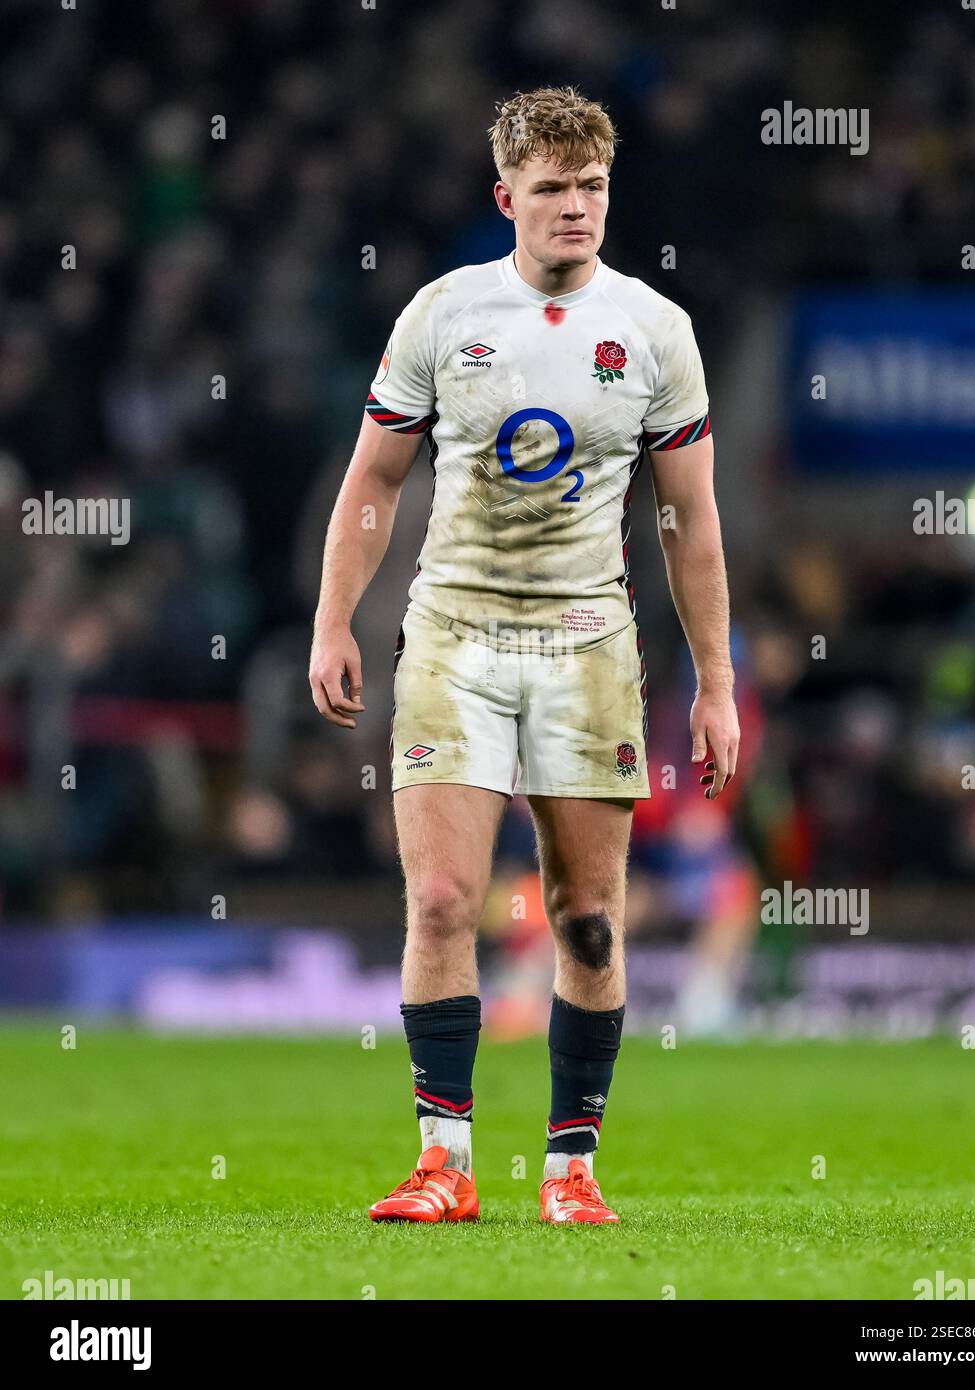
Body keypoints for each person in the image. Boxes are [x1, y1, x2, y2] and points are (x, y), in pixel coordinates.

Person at [309, 86, 739, 1225]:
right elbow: (374, 481)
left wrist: (715, 682)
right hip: (452, 630)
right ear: (506, 196)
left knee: (587, 918)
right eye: (550, 189)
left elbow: (689, 518)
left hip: (586, 642)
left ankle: (570, 1169)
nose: (574, 208)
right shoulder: (444, 314)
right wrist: (332, 618)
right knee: (444, 897)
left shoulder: (654, 330)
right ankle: (443, 1162)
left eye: (591, 187)